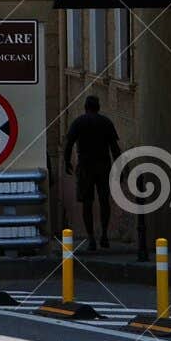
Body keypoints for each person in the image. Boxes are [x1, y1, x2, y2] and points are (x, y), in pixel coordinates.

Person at [63, 96, 120, 252]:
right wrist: (120, 165)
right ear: (98, 107)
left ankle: (91, 238)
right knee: (104, 200)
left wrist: (67, 162)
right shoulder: (106, 122)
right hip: (103, 165)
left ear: (85, 107)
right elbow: (114, 147)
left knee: (87, 202)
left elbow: (69, 144)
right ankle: (104, 235)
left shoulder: (79, 122)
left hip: (85, 166)